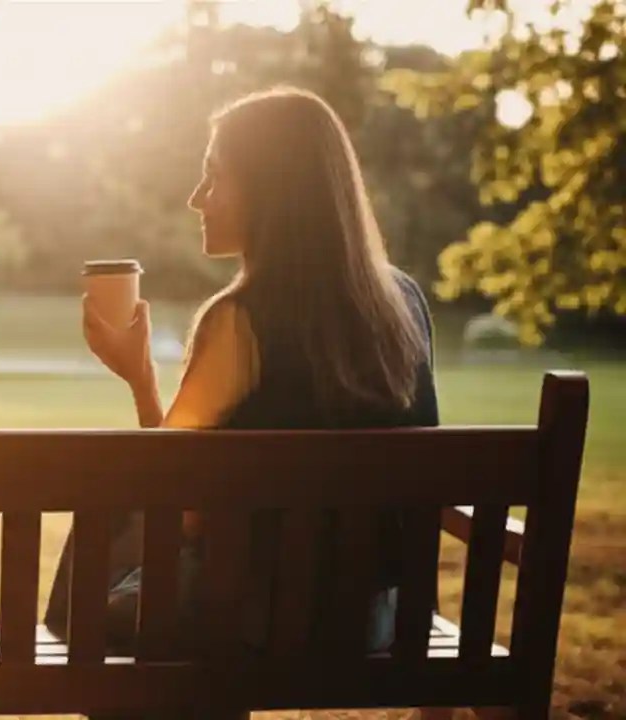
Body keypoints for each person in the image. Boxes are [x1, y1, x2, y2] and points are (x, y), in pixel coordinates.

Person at [45, 87, 439, 654]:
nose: (195, 198)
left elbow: (172, 501)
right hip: (367, 620)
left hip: (255, 620)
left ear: (271, 191)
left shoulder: (240, 321)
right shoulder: (402, 302)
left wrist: (139, 379)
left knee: (107, 541)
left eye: (212, 177)